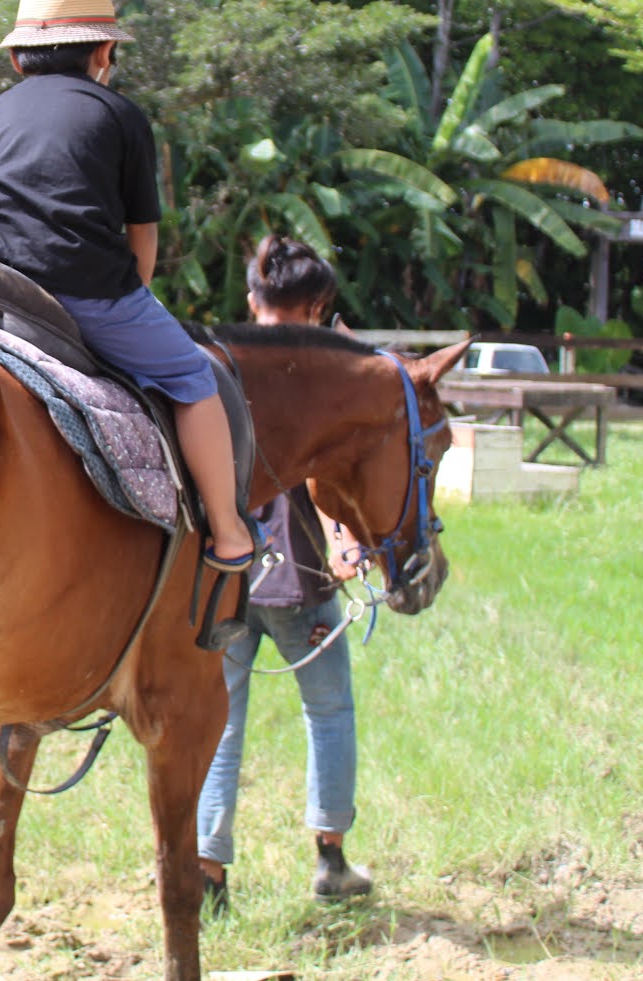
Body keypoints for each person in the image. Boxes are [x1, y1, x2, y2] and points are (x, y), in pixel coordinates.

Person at [0, 0, 254, 573]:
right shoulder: (119, 115)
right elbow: (142, 232)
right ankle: (228, 534)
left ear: (18, 59)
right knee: (193, 378)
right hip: (77, 288)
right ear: (103, 53)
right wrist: (133, 299)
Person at [196, 234, 374, 913]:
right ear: (317, 308)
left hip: (227, 574)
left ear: (252, 300)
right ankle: (331, 859)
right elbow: (334, 473)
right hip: (301, 576)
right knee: (329, 712)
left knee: (221, 725)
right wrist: (344, 540)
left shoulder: (218, 365)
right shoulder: (323, 371)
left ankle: (209, 872)